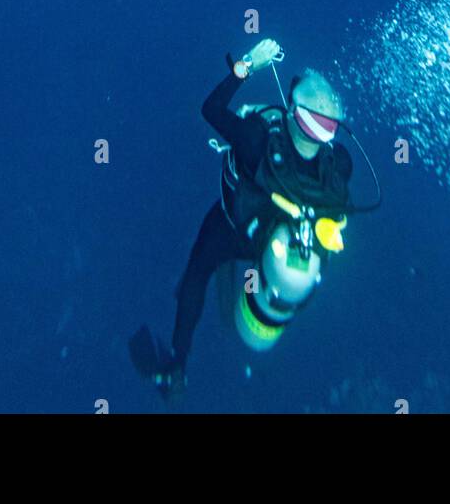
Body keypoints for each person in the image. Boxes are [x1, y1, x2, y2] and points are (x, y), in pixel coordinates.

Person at [129, 39, 353, 398]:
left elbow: (211, 109)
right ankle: (262, 295)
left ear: (294, 112)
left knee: (197, 273)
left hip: (232, 230)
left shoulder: (255, 139)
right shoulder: (339, 165)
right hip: (271, 245)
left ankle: (177, 362)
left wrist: (246, 65)